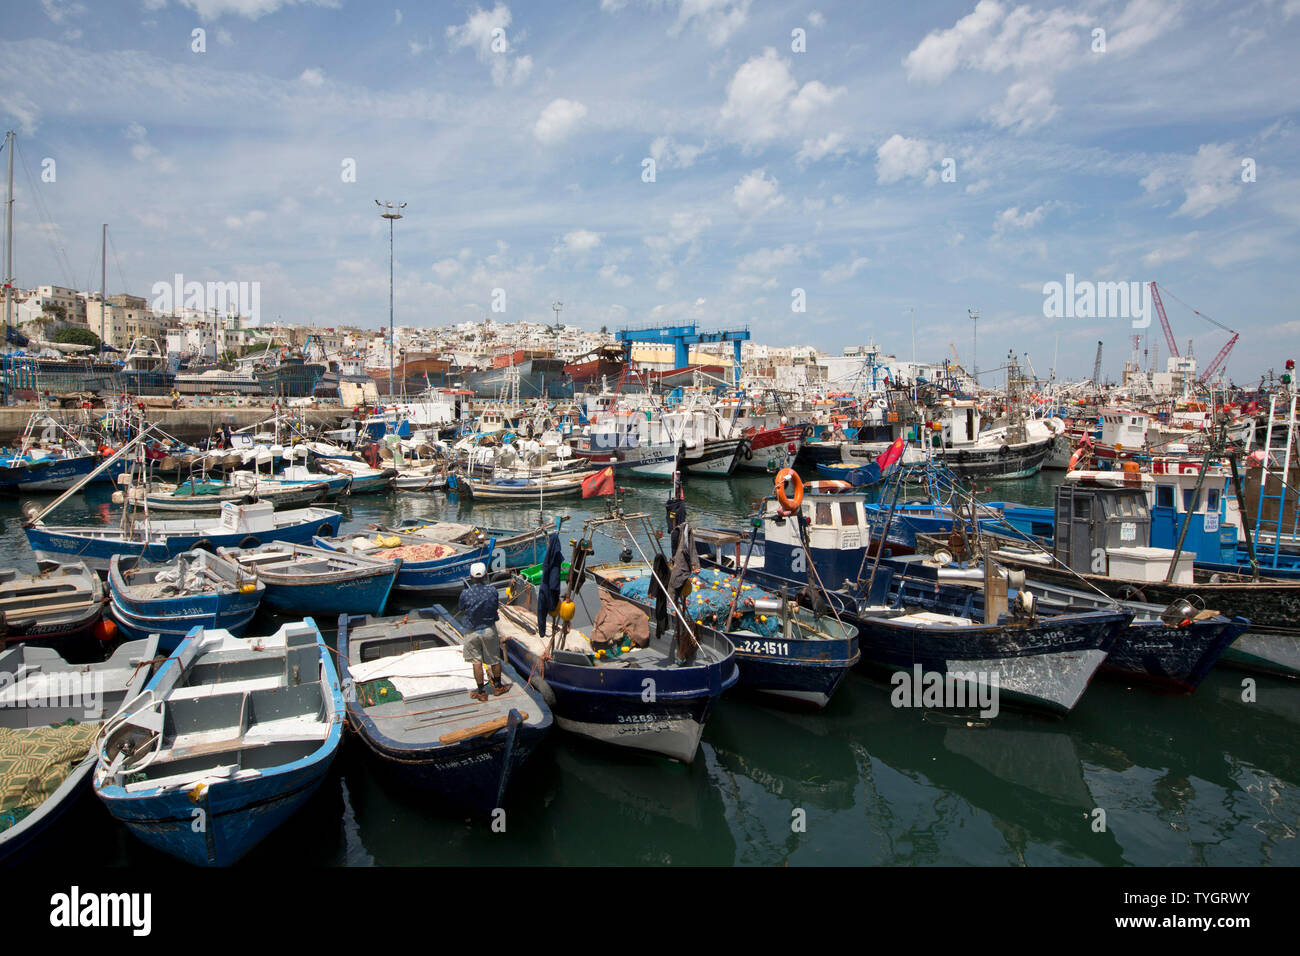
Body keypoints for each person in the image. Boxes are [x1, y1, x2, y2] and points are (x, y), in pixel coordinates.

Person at [457, 562, 509, 700]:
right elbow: (495, 605)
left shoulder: (465, 593)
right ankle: (498, 687)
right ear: (486, 575)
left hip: (472, 631)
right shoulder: (492, 591)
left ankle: (481, 692)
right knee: (494, 659)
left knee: (476, 662)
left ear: (471, 576)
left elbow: (461, 607)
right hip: (488, 630)